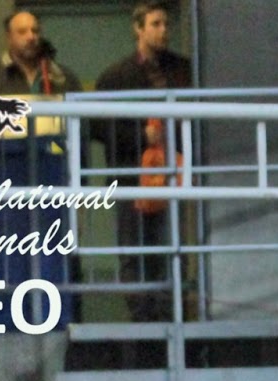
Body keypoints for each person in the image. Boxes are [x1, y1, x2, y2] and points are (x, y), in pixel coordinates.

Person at [94, 1, 192, 323]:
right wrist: (140, 135)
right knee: (134, 248)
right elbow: (99, 126)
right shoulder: (115, 77)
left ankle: (169, 309)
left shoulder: (182, 70)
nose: (164, 30)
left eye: (166, 24)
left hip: (171, 171)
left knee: (168, 246)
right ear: (139, 28)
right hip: (132, 175)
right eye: (156, 24)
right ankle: (141, 315)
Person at [0, 10, 82, 97]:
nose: (31, 37)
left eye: (35, 31)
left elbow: (82, 120)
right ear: (9, 38)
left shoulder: (64, 77)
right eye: (22, 32)